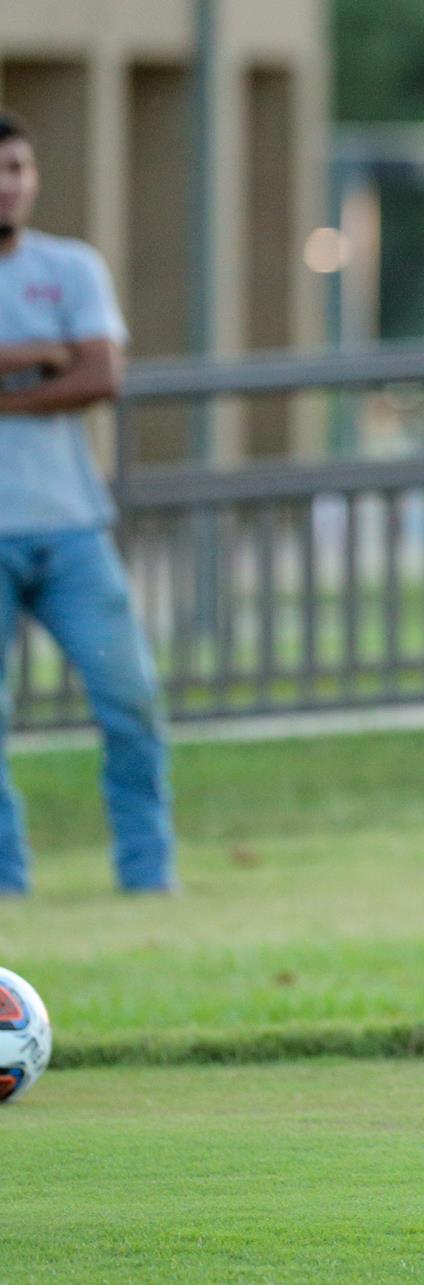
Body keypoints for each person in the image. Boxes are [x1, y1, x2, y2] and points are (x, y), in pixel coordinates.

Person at [0, 110, 176, 896]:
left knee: (130, 701)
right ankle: (7, 882)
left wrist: (22, 383)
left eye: (18, 168)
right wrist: (42, 354)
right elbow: (69, 364)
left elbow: (101, 374)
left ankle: (148, 874)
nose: (8, 186)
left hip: (71, 526)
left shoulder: (70, 267)